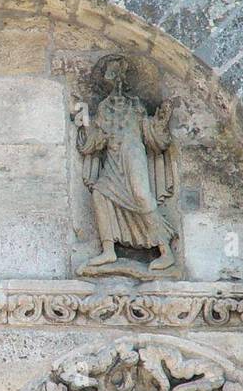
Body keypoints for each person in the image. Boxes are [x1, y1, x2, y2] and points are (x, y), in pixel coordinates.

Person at [74, 55, 176, 274]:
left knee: (141, 196)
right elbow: (96, 140)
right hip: (113, 157)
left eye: (118, 72)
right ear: (107, 79)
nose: (115, 77)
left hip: (133, 154)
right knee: (100, 193)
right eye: (111, 73)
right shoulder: (104, 107)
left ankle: (165, 251)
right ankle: (109, 249)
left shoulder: (135, 105)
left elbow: (150, 133)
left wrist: (160, 121)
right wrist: (83, 124)